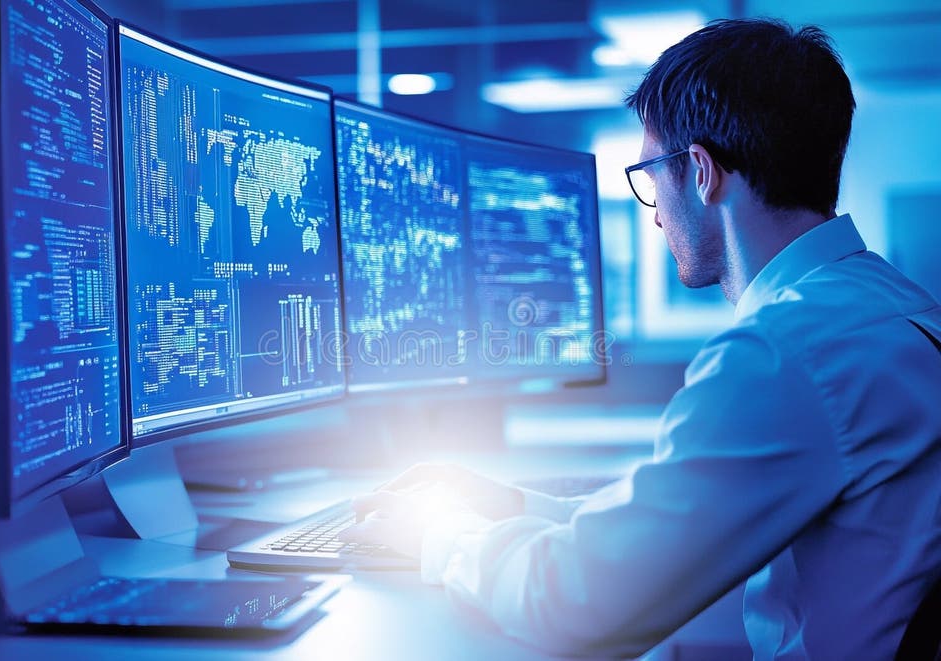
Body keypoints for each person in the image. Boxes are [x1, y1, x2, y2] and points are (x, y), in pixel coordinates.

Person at [341, 17, 941, 660]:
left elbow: (577, 603)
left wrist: (441, 538)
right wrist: (506, 503)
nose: (653, 212)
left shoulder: (785, 356)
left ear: (702, 172)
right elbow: (669, 530)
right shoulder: (890, 307)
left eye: (651, 175)